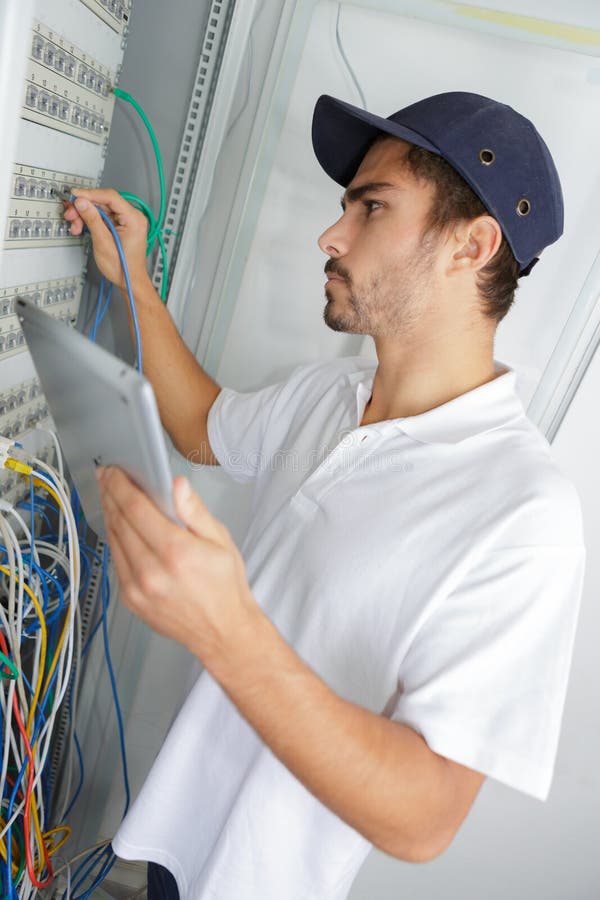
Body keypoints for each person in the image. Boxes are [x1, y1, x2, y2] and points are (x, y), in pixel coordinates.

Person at [63, 91, 586, 900]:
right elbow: (205, 426)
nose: (330, 236)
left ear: (471, 245)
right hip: (171, 837)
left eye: (372, 207)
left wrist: (224, 627)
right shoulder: (330, 394)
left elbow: (425, 817)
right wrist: (134, 281)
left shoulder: (525, 515)